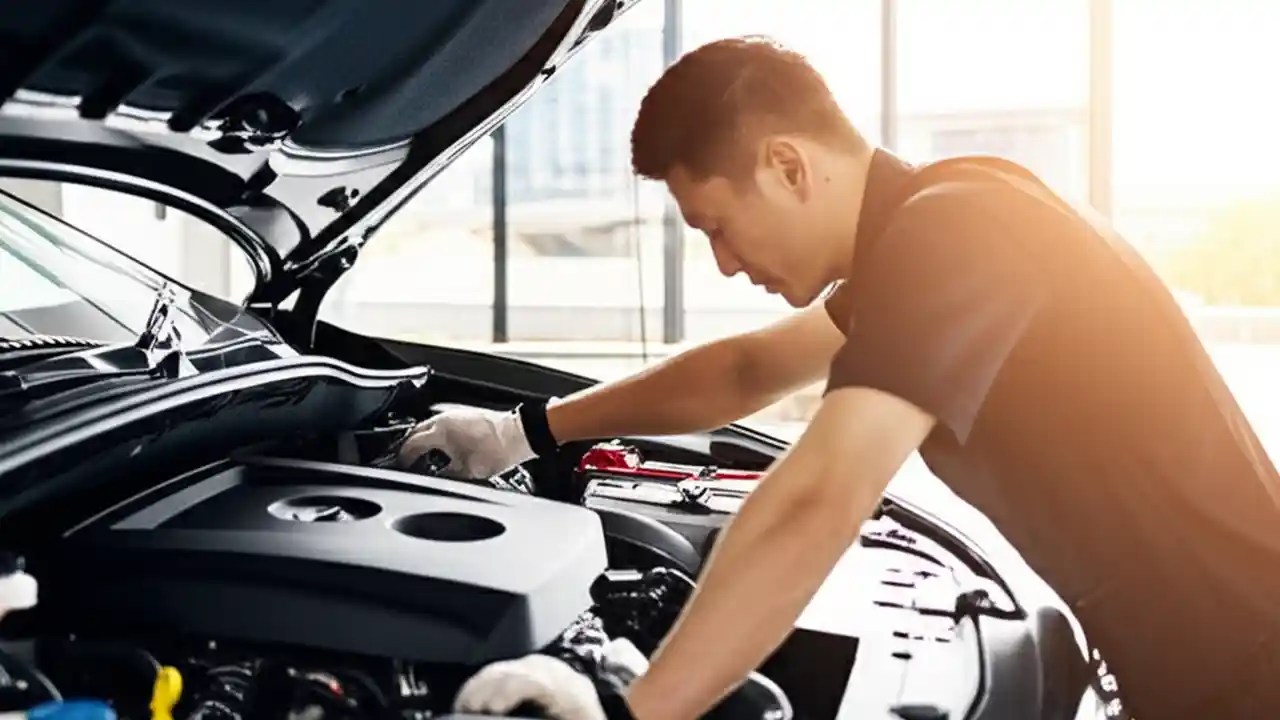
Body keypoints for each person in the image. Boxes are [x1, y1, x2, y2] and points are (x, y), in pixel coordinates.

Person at [400, 37, 1280, 720]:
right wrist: (524, 431)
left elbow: (826, 490)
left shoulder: (959, 233)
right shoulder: (939, 230)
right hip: (1198, 660)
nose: (722, 264)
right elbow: (747, 367)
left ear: (788, 166)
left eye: (718, 225)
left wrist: (642, 710)